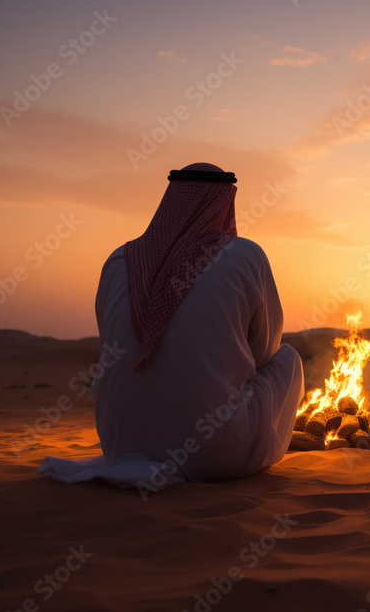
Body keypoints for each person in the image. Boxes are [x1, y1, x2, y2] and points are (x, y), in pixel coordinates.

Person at [38, 163, 304, 493]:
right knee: (288, 359)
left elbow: (110, 343)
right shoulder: (246, 255)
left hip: (120, 446)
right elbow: (266, 350)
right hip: (215, 456)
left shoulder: (118, 261)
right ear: (224, 203)